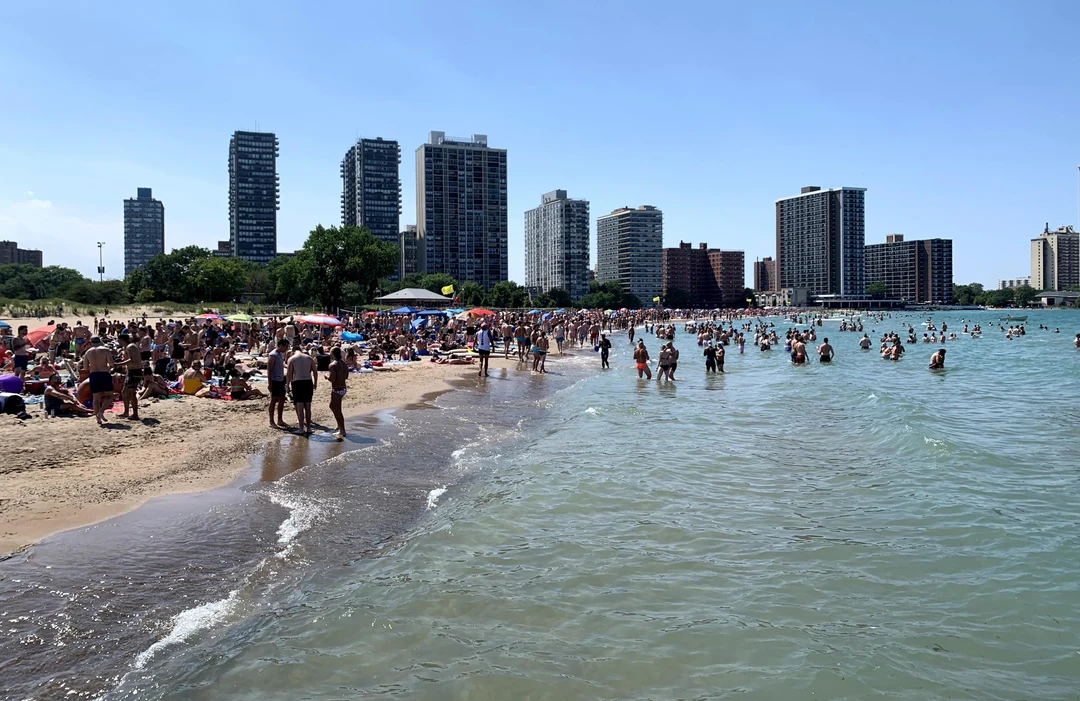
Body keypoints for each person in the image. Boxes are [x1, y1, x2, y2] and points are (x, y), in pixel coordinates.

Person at [82, 336, 114, 425]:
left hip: (94, 374)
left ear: (91, 343)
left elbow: (85, 368)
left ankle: (98, 419)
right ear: (100, 341)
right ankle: (101, 412)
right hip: (104, 373)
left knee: (96, 397)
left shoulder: (88, 352)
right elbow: (111, 364)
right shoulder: (105, 350)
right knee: (109, 396)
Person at [287, 346, 317, 435]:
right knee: (308, 406)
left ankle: (301, 428)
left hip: (297, 382)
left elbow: (289, 373)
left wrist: (288, 385)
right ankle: (308, 428)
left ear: (293, 351)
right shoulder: (309, 358)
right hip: (308, 382)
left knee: (300, 407)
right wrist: (315, 383)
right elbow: (315, 371)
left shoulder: (292, 359)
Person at [117, 334, 143, 420]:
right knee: (124, 392)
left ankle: (135, 414)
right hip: (131, 371)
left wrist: (118, 364)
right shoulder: (128, 347)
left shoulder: (130, 347)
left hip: (135, 372)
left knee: (131, 393)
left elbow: (132, 360)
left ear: (121, 340)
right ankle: (126, 412)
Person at [326, 346, 348, 439]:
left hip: (337, 389)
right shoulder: (344, 363)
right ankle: (339, 425)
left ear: (332, 354)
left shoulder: (332, 365)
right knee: (332, 406)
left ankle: (342, 430)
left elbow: (332, 379)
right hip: (343, 388)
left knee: (337, 410)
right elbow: (346, 376)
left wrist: (326, 377)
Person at [267, 338, 290, 429]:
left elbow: (282, 364)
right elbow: (269, 370)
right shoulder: (273, 355)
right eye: (286, 347)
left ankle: (280, 420)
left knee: (281, 399)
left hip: (280, 380)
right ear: (281, 346)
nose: (286, 349)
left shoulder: (280, 355)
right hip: (275, 380)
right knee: (273, 400)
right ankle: (271, 421)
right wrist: (270, 383)